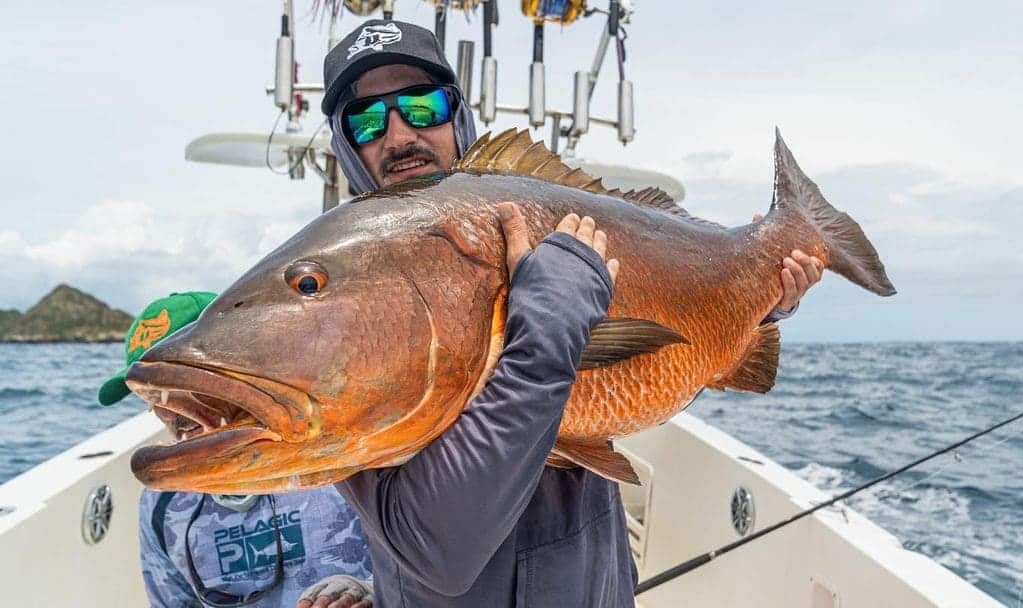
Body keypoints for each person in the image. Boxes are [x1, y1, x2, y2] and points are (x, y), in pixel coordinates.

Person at [319, 19, 822, 606]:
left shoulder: (545, 219)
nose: (400, 133)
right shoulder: (346, 299)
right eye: (368, 120)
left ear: (455, 114)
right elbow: (413, 534)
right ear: (346, 145)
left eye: (423, 106)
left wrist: (763, 303)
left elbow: (665, 348)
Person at [99, 292, 375, 608]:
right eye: (152, 395)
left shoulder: (347, 454)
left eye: (184, 379)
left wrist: (369, 591)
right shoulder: (163, 501)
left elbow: (431, 570)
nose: (171, 409)